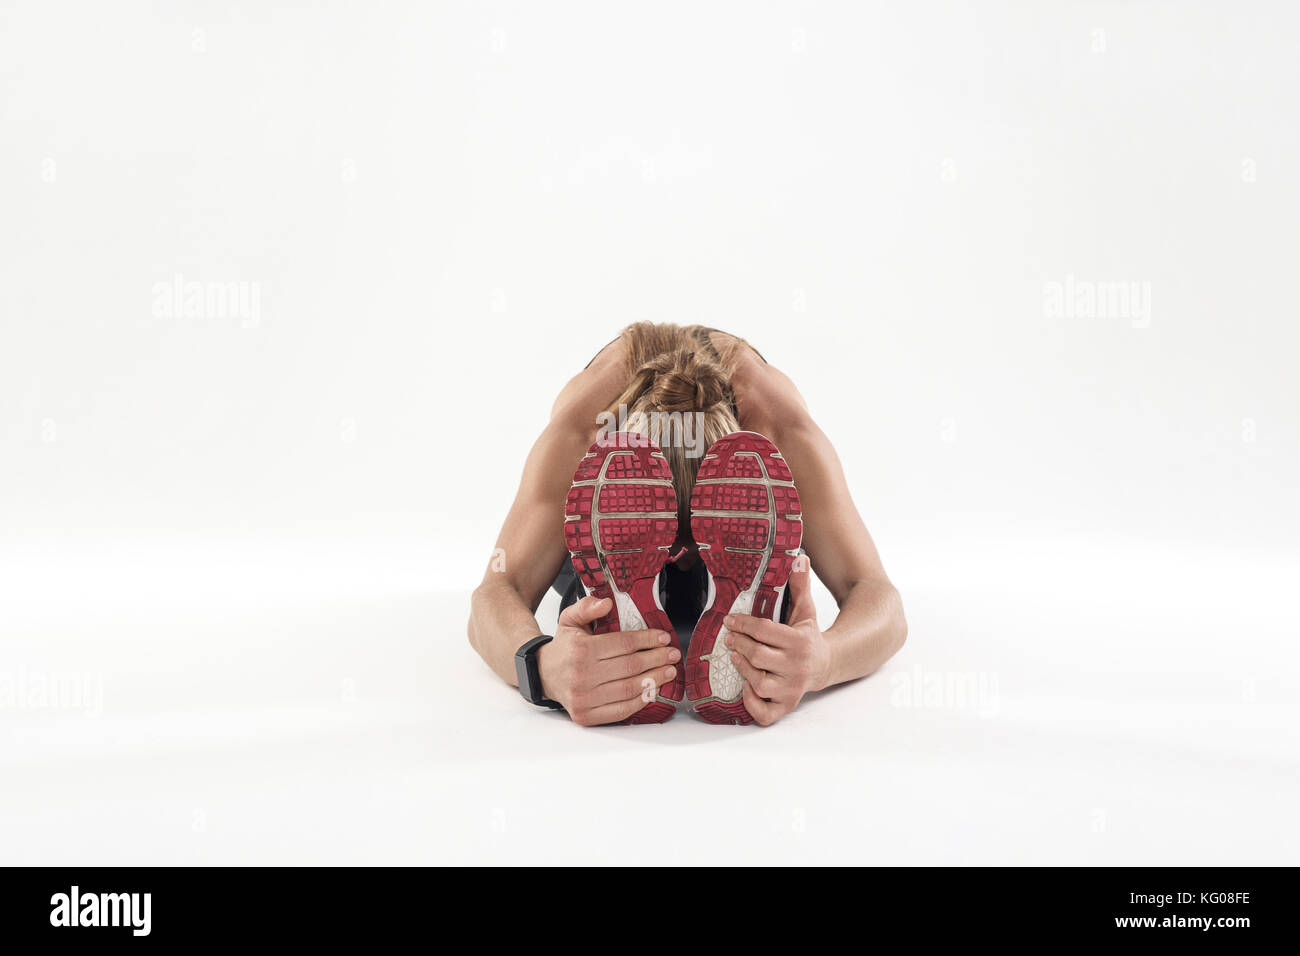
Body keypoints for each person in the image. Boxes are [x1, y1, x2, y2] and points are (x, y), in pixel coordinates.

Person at [467, 322, 906, 726]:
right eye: (665, 538)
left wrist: (823, 659)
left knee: (766, 555)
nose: (679, 564)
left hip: (749, 544)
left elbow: (878, 598)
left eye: (694, 541)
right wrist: (543, 667)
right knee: (597, 568)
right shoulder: (583, 433)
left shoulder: (777, 431)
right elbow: (496, 592)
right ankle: (617, 574)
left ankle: (739, 568)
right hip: (607, 546)